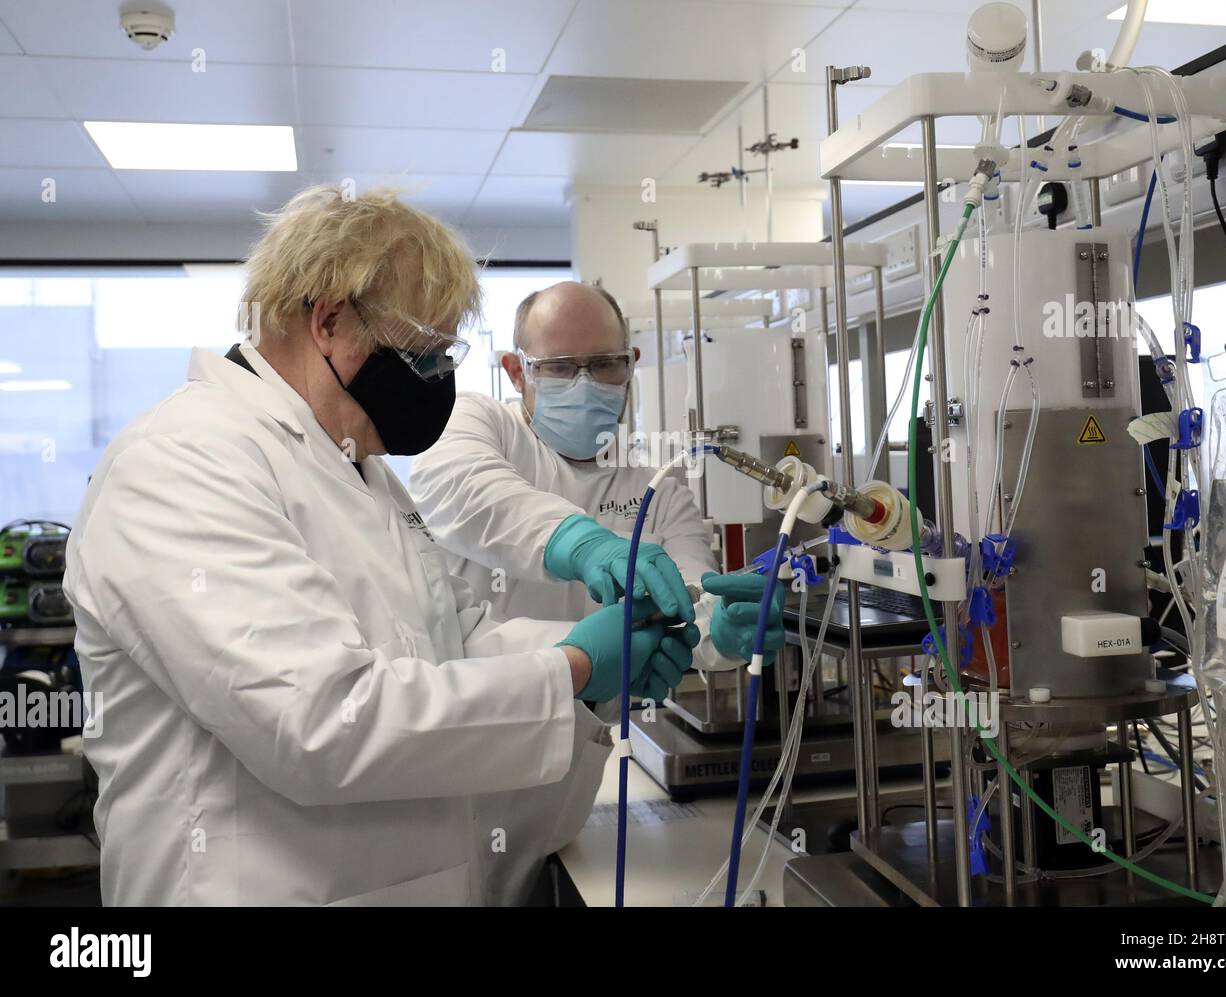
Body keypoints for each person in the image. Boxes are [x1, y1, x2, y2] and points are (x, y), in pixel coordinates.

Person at [60, 186, 699, 906]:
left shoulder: (360, 471)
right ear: (330, 320)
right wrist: (574, 667)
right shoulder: (182, 462)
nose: (437, 384)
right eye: (423, 355)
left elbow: (453, 643)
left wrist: (592, 666)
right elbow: (323, 722)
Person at [408, 280, 785, 903]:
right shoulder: (481, 423)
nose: (585, 383)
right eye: (559, 367)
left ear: (630, 366)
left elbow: (691, 598)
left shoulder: (657, 488)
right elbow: (464, 489)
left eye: (604, 364)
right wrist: (584, 545)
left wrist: (722, 627)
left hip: (566, 785)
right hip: (461, 766)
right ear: (515, 371)